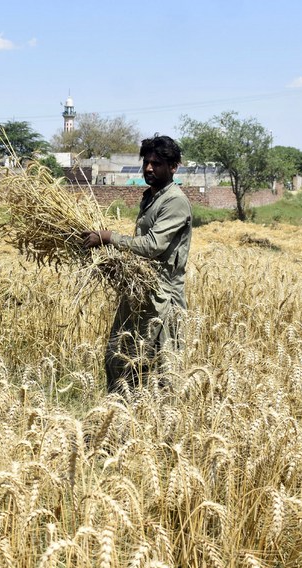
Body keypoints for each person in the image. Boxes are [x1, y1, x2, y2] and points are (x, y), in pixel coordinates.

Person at [82, 135, 192, 392]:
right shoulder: (150, 197)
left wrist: (109, 238)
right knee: (120, 359)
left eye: (157, 163)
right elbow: (140, 248)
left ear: (174, 166)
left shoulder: (174, 200)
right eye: (146, 162)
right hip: (140, 291)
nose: (149, 168)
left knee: (160, 370)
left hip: (162, 300)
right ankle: (118, 421)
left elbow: (152, 246)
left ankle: (158, 428)